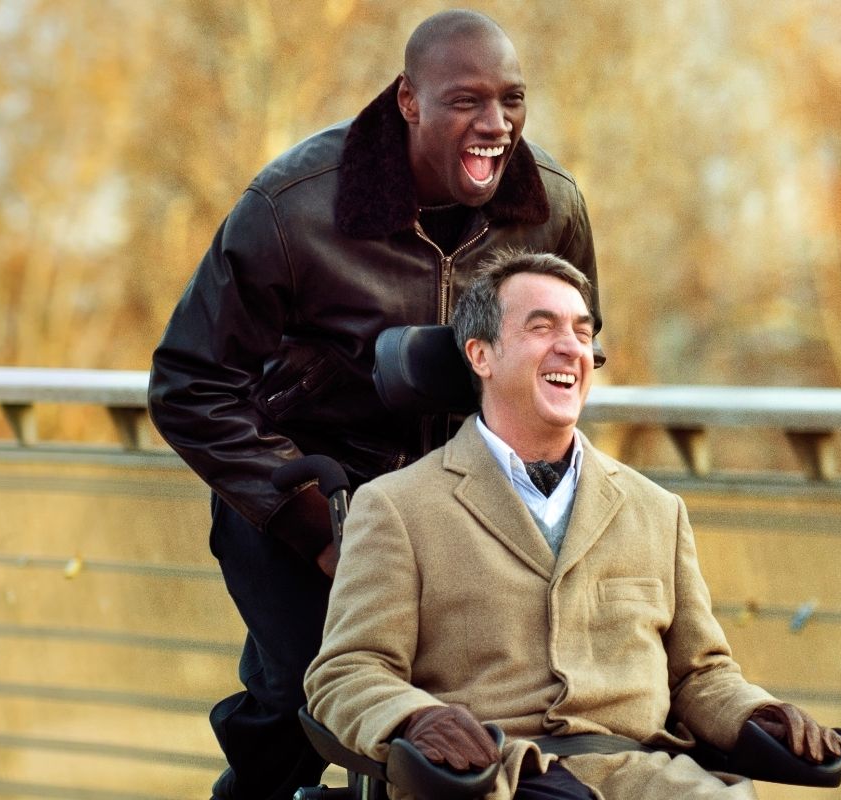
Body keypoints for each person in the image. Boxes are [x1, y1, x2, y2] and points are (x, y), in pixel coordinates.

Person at [147, 10, 599, 798]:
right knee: (306, 692)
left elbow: (572, 357)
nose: (496, 124)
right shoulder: (293, 207)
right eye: (466, 100)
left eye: (512, 100)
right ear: (409, 101)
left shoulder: (549, 208)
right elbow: (190, 383)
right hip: (304, 494)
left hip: (461, 502)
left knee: (486, 711)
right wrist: (309, 520)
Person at [304, 251, 841, 800]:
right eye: (542, 327)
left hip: (645, 776)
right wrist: (414, 718)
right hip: (494, 776)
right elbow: (348, 670)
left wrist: (758, 713)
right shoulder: (397, 507)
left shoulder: (657, 511)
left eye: (582, 333)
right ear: (481, 354)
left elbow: (698, 674)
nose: (571, 347)